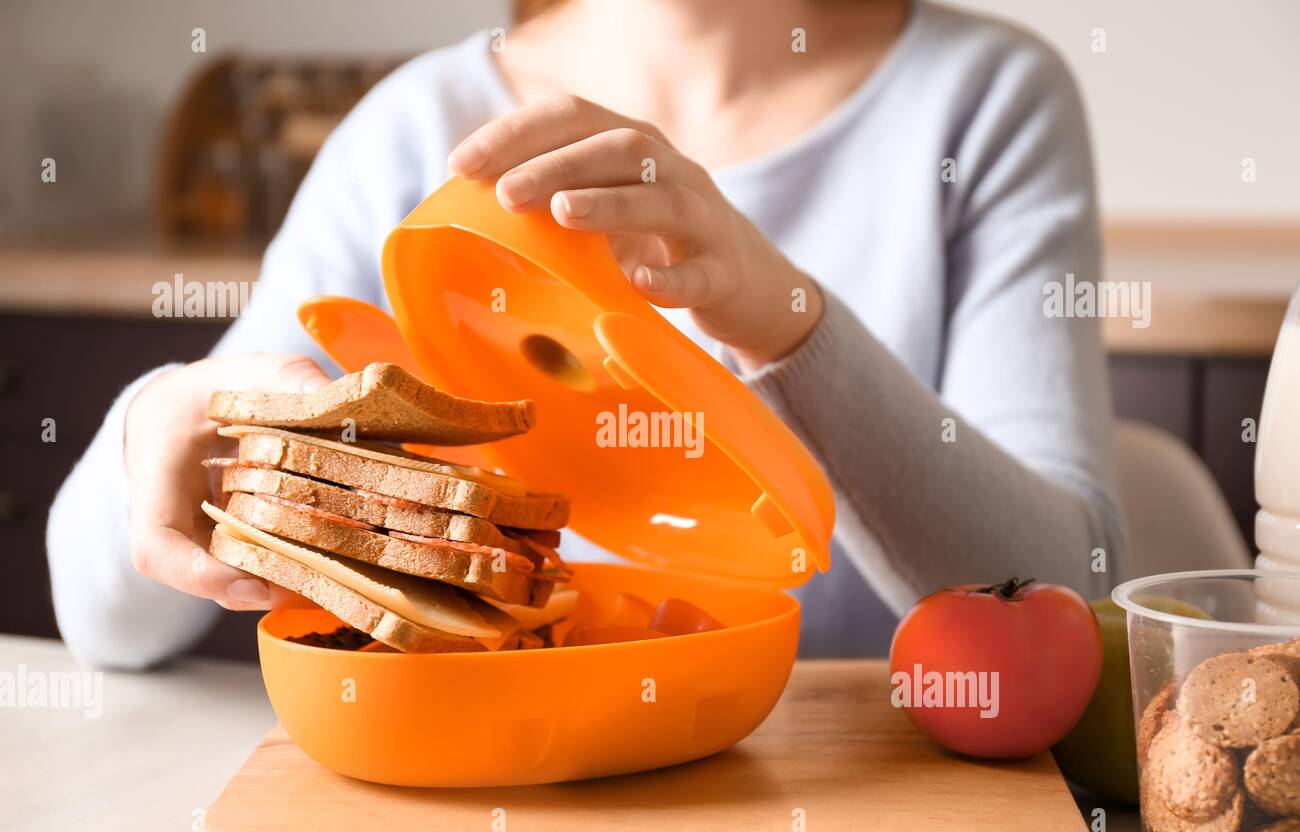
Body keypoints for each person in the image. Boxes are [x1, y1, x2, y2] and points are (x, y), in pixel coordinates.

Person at [47, 0, 1125, 667]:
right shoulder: (417, 130)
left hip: (859, 814)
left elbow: (1061, 592)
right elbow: (106, 619)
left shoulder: (985, 104)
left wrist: (782, 318)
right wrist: (155, 421)